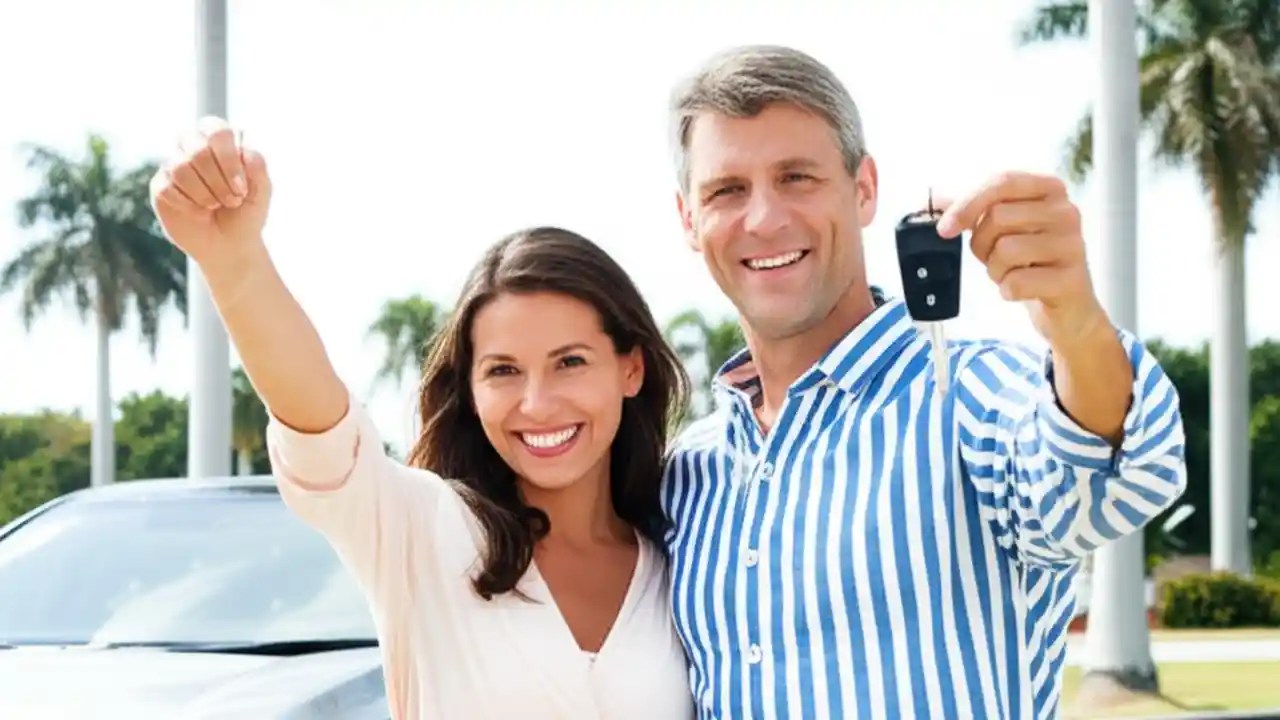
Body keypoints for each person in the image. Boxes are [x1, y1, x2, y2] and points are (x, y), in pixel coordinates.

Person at [659, 45, 1188, 719]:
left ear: (865, 189)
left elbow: (1111, 476)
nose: (763, 218)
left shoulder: (971, 396)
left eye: (797, 177)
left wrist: (1075, 321)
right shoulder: (684, 473)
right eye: (727, 190)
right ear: (687, 220)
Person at [149, 120, 696, 719]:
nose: (537, 403)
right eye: (503, 371)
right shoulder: (422, 529)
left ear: (631, 370)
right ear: (469, 390)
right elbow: (321, 424)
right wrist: (233, 261)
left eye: (570, 362)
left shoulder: (683, 560)